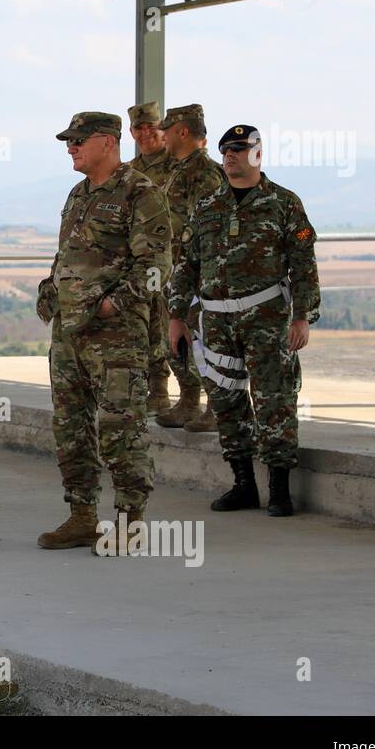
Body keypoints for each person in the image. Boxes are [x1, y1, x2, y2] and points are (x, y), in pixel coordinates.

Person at [35, 112, 171, 555]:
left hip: (115, 336)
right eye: (68, 141)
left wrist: (114, 303)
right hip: (69, 335)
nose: (70, 147)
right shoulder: (78, 194)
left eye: (78, 140)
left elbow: (155, 267)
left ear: (108, 142)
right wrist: (50, 288)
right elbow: (70, 255)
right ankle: (81, 517)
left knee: (120, 428)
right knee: (70, 429)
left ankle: (130, 521)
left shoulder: (140, 192)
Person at [167, 125, 321, 517]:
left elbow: (304, 265)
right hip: (216, 321)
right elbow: (186, 265)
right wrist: (176, 316)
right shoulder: (206, 207)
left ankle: (279, 489)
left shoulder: (284, 203)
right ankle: (243, 484)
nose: (230, 156)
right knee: (226, 402)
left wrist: (302, 317)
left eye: (238, 148)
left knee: (274, 400)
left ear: (258, 153)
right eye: (225, 150)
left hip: (266, 318)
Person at [154, 103, 225, 433]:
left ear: (183, 131)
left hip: (196, 273)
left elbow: (209, 229)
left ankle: (216, 405)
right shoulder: (178, 170)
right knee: (177, 339)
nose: (162, 136)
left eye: (166, 130)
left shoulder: (205, 174)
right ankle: (188, 399)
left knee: (205, 341)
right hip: (174, 271)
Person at [126, 101, 173, 413]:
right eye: (138, 128)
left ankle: (188, 393)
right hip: (139, 261)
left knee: (175, 326)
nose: (145, 133)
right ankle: (154, 388)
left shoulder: (180, 167)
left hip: (175, 260)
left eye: (151, 127)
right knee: (146, 325)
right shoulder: (128, 172)